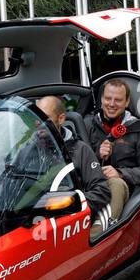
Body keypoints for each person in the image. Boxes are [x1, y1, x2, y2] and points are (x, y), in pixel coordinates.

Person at [82, 78, 140, 225]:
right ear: (102, 99)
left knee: (116, 184)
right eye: (107, 98)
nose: (111, 104)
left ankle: (100, 232)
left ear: (127, 102)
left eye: (117, 100)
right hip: (91, 186)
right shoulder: (86, 124)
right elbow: (75, 159)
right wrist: (97, 154)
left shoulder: (138, 130)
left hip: (121, 188)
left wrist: (121, 173)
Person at [34, 96, 112, 238]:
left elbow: (102, 191)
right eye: (37, 118)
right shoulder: (28, 149)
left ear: (61, 118)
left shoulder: (81, 150)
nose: (40, 124)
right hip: (30, 220)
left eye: (46, 118)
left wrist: (68, 203)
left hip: (67, 224)